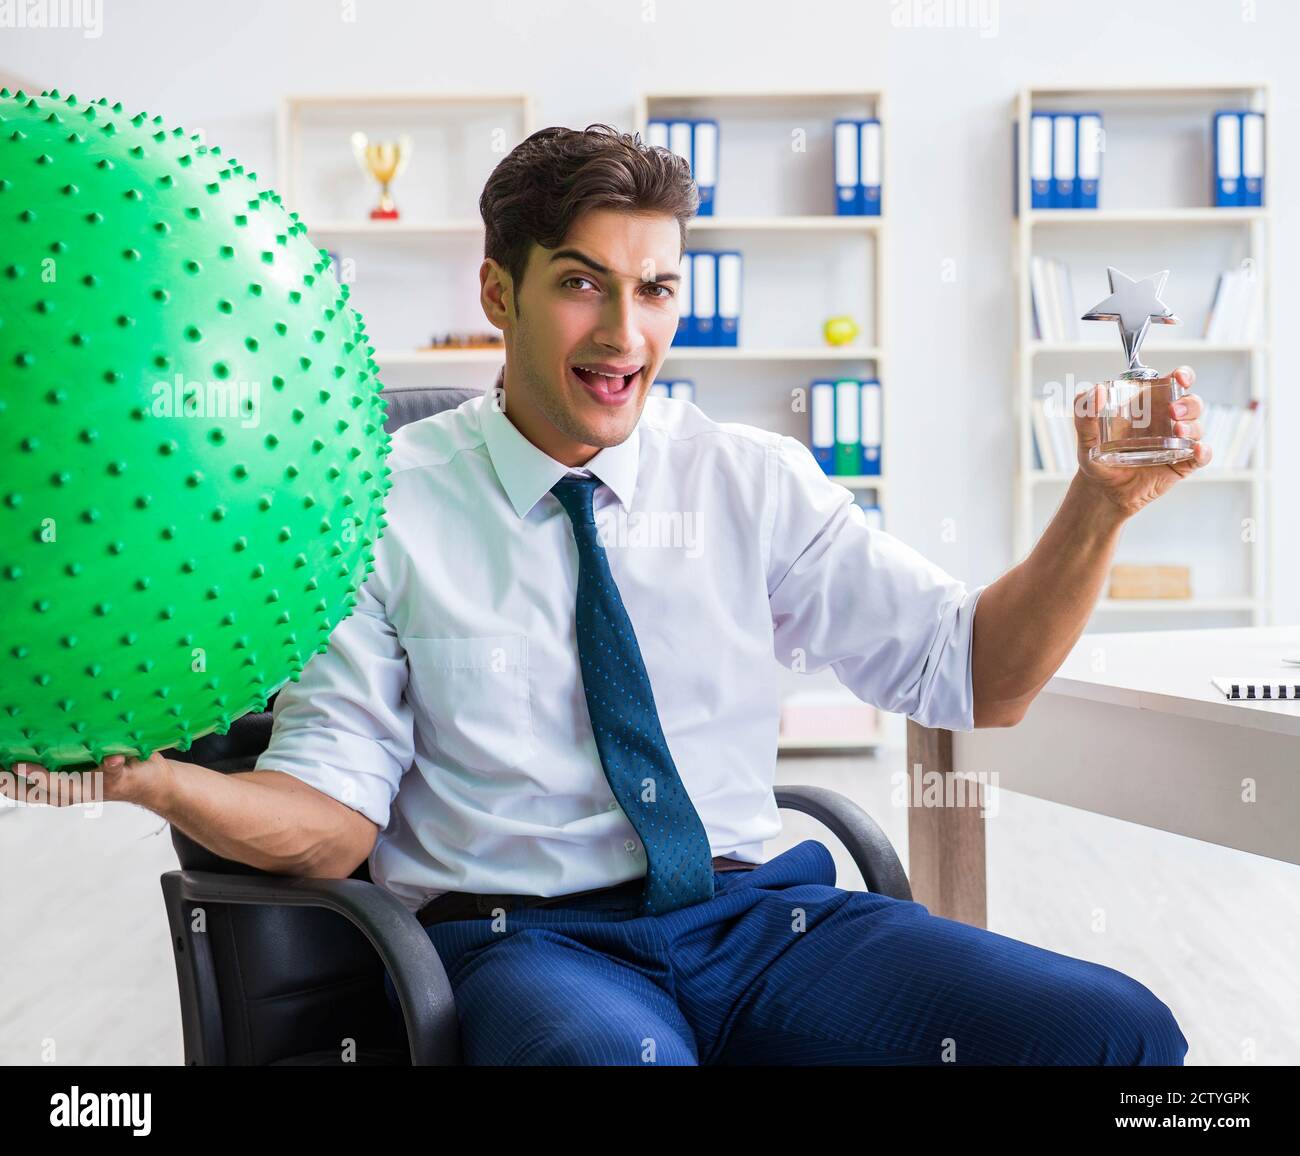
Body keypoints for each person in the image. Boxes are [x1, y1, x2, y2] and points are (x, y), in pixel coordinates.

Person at [10, 124, 1206, 1066]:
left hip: (762, 925)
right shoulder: (379, 511)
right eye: (584, 285)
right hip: (529, 944)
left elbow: (976, 676)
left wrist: (1094, 507)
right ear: (498, 292)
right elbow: (332, 824)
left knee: (1118, 1035)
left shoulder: (750, 480)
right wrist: (149, 778)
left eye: (656, 290)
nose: (625, 332)